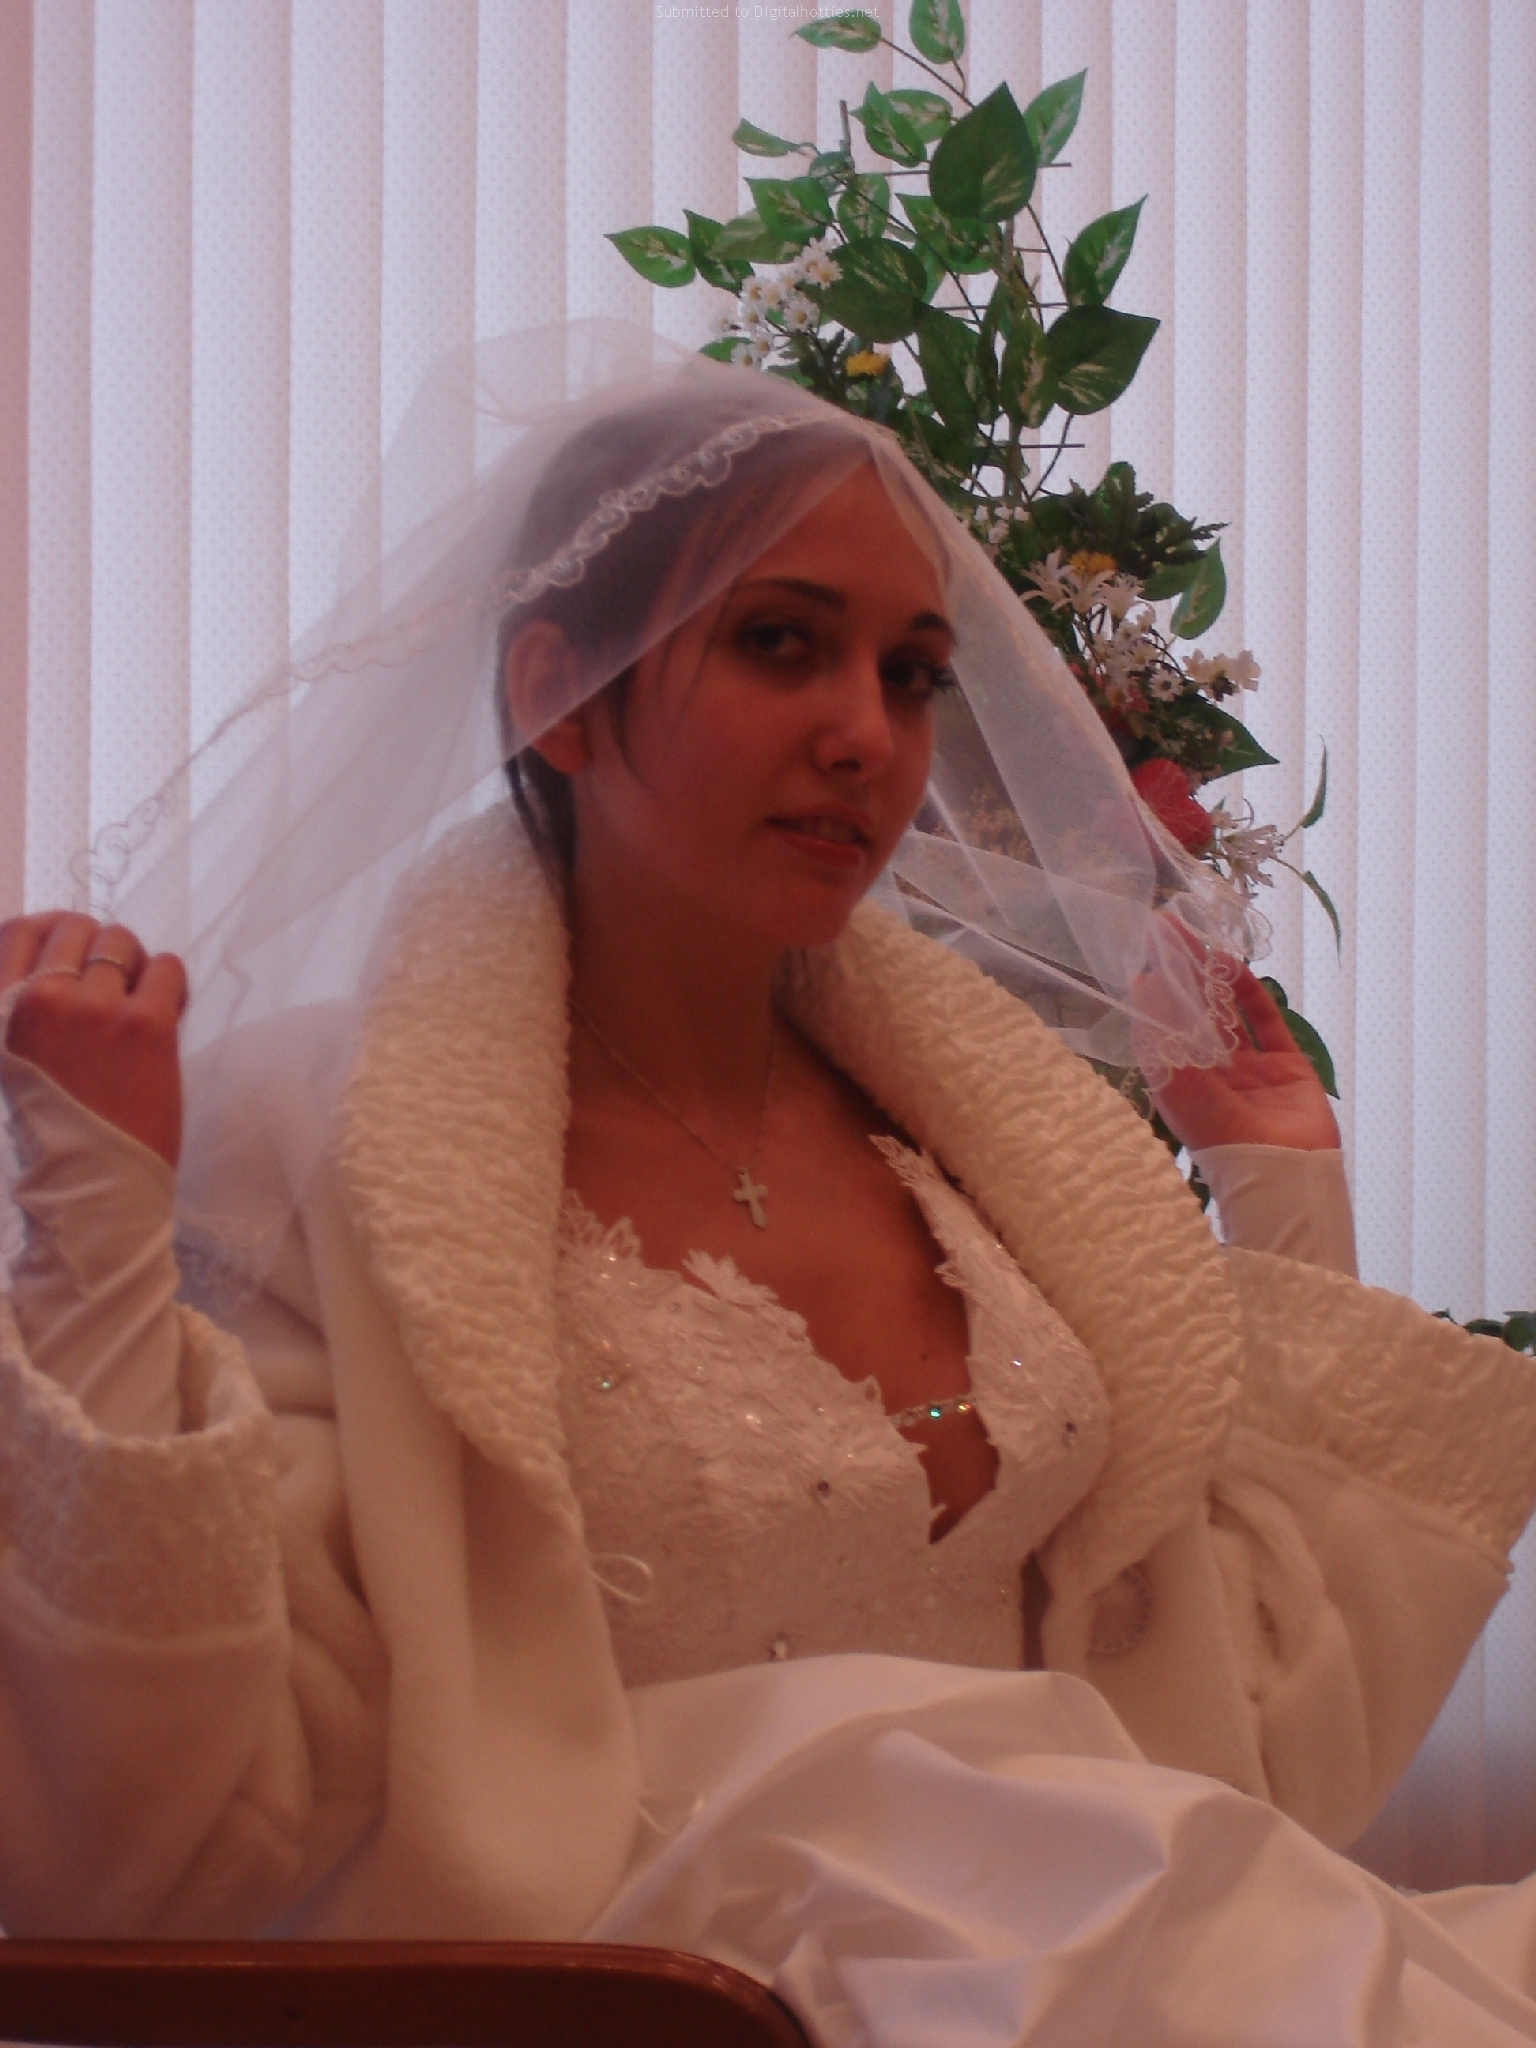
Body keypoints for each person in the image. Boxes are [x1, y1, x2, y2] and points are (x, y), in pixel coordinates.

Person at [3, 320, 1536, 2043]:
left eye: (912, 673)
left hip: (1115, 1947)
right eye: (779, 642)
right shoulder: (319, 1154)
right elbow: (154, 1834)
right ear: (557, 695)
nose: (867, 734)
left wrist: (1281, 1185)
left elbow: (1251, 1732)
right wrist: (95, 1225)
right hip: (654, 2006)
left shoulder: (992, 1160)